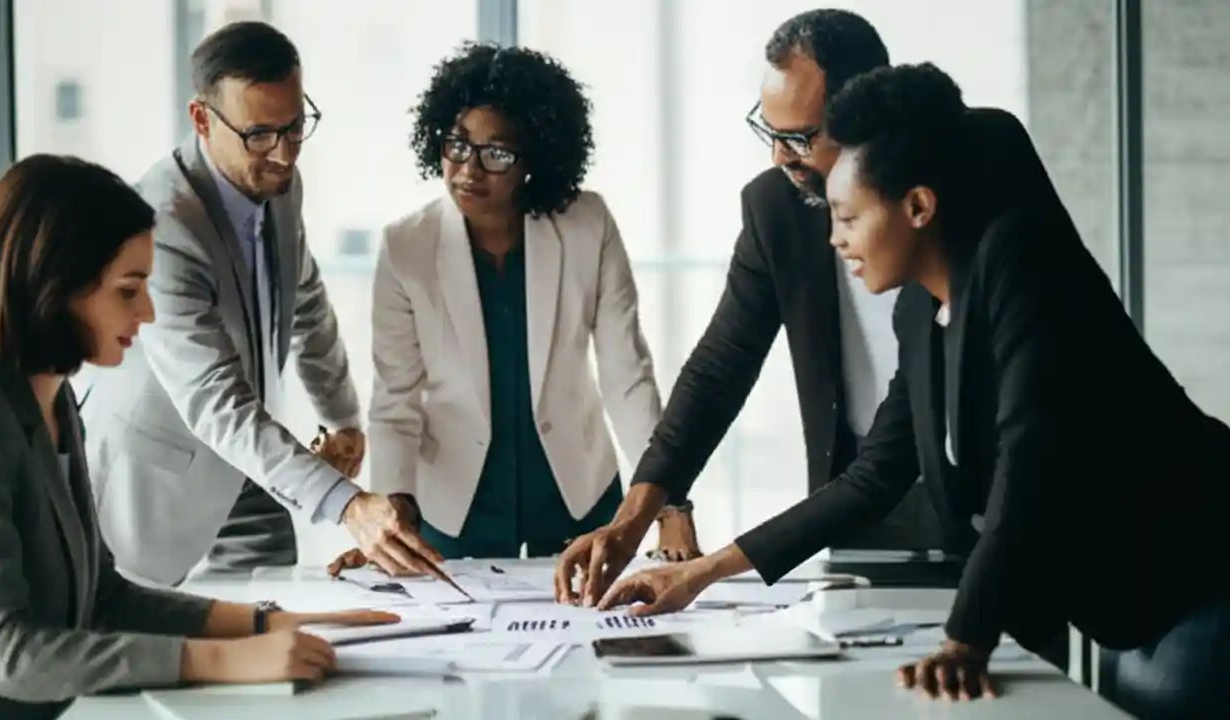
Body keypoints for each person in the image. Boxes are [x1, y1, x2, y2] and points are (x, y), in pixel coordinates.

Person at [598, 63, 1230, 717]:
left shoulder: (1022, 259)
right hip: (1126, 596)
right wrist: (698, 575)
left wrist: (965, 639)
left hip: (1197, 572)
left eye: (847, 216)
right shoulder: (921, 313)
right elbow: (875, 474)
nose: (834, 237)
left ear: (918, 206)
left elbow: (1030, 464)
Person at [0, 155, 398, 720]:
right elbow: (3, 652)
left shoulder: (54, 395)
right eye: (129, 289)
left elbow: (103, 598)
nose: (149, 311)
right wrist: (225, 661)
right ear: (56, 284)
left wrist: (268, 622)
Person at [556, 8, 934, 605]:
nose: (780, 158)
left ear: (869, 121)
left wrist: (704, 573)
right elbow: (720, 367)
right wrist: (636, 517)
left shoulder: (938, 207)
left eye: (801, 137)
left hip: (979, 504)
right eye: (770, 131)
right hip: (854, 511)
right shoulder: (777, 207)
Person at [78, 21, 435, 585]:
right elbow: (212, 398)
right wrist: (348, 505)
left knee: (270, 623)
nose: (285, 155)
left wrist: (341, 417)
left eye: (296, 128)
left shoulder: (279, 182)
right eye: (261, 135)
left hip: (245, 469)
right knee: (152, 641)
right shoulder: (162, 223)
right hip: (157, 477)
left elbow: (306, 301)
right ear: (202, 119)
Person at [328, 43, 665, 572]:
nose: (470, 170)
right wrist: (392, 511)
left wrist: (669, 501)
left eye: (497, 154)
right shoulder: (405, 247)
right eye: (457, 145)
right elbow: (395, 400)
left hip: (576, 492)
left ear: (535, 157)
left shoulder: (588, 224)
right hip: (455, 506)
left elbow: (627, 376)